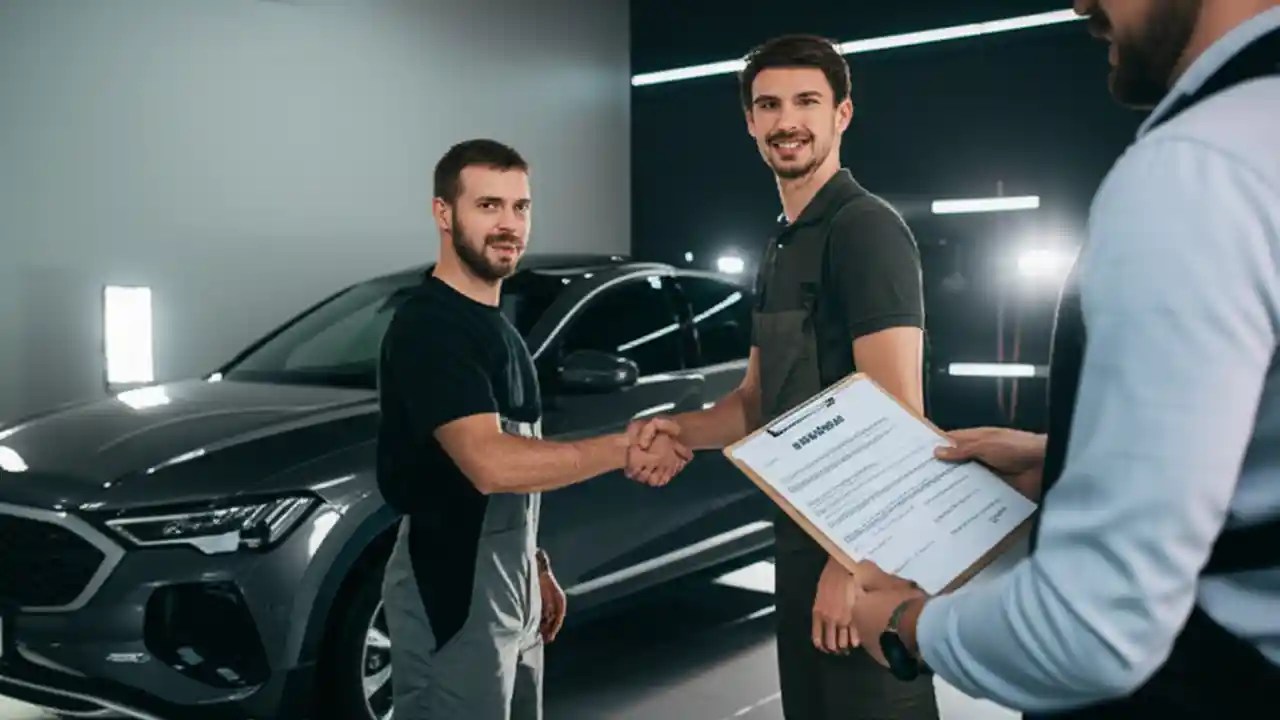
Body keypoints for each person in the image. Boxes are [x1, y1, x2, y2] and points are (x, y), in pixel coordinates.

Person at [847, 1, 1280, 718]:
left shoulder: (1195, 169)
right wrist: (1065, 460)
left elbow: (1093, 627)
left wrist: (908, 625)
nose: (1080, 0)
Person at [627, 35, 939, 720]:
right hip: (801, 546)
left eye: (806, 101)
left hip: (862, 559)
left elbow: (898, 415)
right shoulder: (783, 241)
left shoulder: (865, 229)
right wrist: (679, 429)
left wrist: (852, 561)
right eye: (768, 105)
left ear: (843, 114)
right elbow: (755, 404)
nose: (786, 120)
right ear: (749, 121)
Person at [376, 138, 690, 720]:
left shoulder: (498, 330)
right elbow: (491, 465)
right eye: (488, 205)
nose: (509, 224)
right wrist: (625, 447)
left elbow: (516, 463)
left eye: (520, 207)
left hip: (509, 583)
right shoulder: (431, 327)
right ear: (443, 214)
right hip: (452, 586)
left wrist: (533, 565)